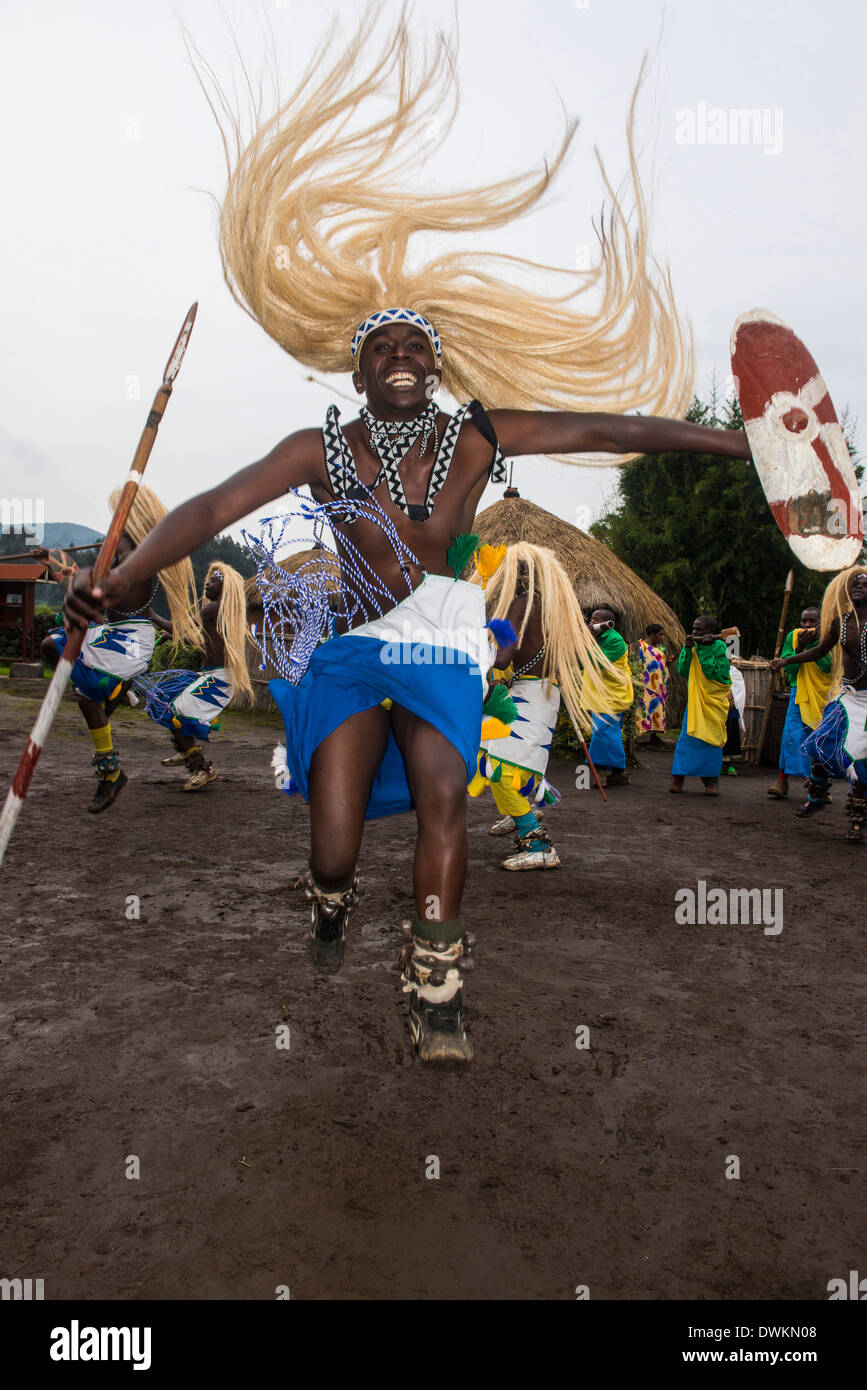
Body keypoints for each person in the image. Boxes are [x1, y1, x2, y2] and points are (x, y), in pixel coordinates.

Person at [64, 15, 754, 1061]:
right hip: (349, 650)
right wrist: (119, 581)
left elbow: (609, 425)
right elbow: (210, 511)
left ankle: (436, 988)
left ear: (434, 367)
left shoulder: (479, 438)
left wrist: (731, 442)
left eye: (413, 345)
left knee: (445, 798)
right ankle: (330, 898)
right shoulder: (319, 446)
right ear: (357, 372)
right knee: (336, 843)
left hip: (441, 642)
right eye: (379, 345)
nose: (397, 355)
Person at [468, 544, 629, 869]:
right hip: (542, 693)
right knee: (492, 756)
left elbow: (502, 658)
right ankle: (518, 814)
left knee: (504, 768)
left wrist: (478, 641)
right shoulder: (551, 606)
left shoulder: (519, 604)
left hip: (530, 695)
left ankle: (538, 843)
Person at [43, 487, 199, 812]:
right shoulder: (124, 549)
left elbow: (97, 589)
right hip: (115, 635)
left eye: (119, 513)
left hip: (129, 643)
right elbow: (84, 582)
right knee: (58, 657)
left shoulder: (136, 557)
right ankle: (114, 695)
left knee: (83, 690)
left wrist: (79, 577)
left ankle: (111, 768)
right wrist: (51, 559)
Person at [137, 563, 253, 791]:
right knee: (167, 701)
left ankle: (202, 770)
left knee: (174, 710)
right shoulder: (222, 610)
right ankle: (186, 749)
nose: (206, 584)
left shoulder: (213, 609)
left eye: (212, 581)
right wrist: (171, 635)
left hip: (219, 679)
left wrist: (151, 615)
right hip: (212, 676)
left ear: (223, 587)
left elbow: (187, 631)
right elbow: (201, 640)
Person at [771, 566, 867, 841]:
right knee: (821, 742)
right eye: (855, 584)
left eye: (865, 585)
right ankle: (817, 795)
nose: (859, 588)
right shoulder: (840, 621)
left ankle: (857, 820)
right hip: (848, 697)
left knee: (861, 758)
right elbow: (821, 651)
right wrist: (787, 660)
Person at [767, 607, 833, 798]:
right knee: (791, 737)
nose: (806, 626)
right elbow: (790, 669)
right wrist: (799, 649)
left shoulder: (831, 637)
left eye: (812, 621)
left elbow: (829, 667)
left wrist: (814, 647)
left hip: (823, 696)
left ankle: (820, 786)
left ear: (823, 622)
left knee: (820, 740)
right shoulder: (793, 637)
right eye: (803, 621)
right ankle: (782, 780)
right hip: (799, 693)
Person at [670, 617, 732, 795]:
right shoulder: (691, 646)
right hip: (695, 703)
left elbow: (715, 673)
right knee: (686, 740)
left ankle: (711, 782)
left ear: (711, 633)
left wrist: (704, 649)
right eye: (694, 630)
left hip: (713, 704)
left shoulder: (720, 647)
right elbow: (683, 670)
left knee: (711, 742)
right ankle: (678, 778)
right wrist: (688, 649)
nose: (695, 633)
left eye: (700, 631)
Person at [586, 609, 634, 787]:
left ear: (607, 622)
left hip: (612, 695)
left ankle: (602, 771)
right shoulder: (600, 638)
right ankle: (618, 773)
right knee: (608, 732)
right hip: (600, 695)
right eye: (591, 619)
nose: (592, 623)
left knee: (603, 733)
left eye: (595, 620)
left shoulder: (615, 640)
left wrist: (588, 639)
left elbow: (597, 663)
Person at [637, 623, 670, 747]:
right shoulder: (641, 647)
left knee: (657, 710)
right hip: (646, 684)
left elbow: (662, 664)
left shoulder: (661, 649)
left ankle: (653, 735)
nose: (662, 637)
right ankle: (638, 735)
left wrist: (669, 662)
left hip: (659, 685)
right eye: (660, 634)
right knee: (643, 708)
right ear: (652, 634)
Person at [722, 661, 746, 775]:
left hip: (732, 710)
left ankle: (730, 765)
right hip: (718, 707)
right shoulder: (715, 670)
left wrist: (732, 700)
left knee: (731, 734)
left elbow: (739, 691)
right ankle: (717, 764)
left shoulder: (735, 673)